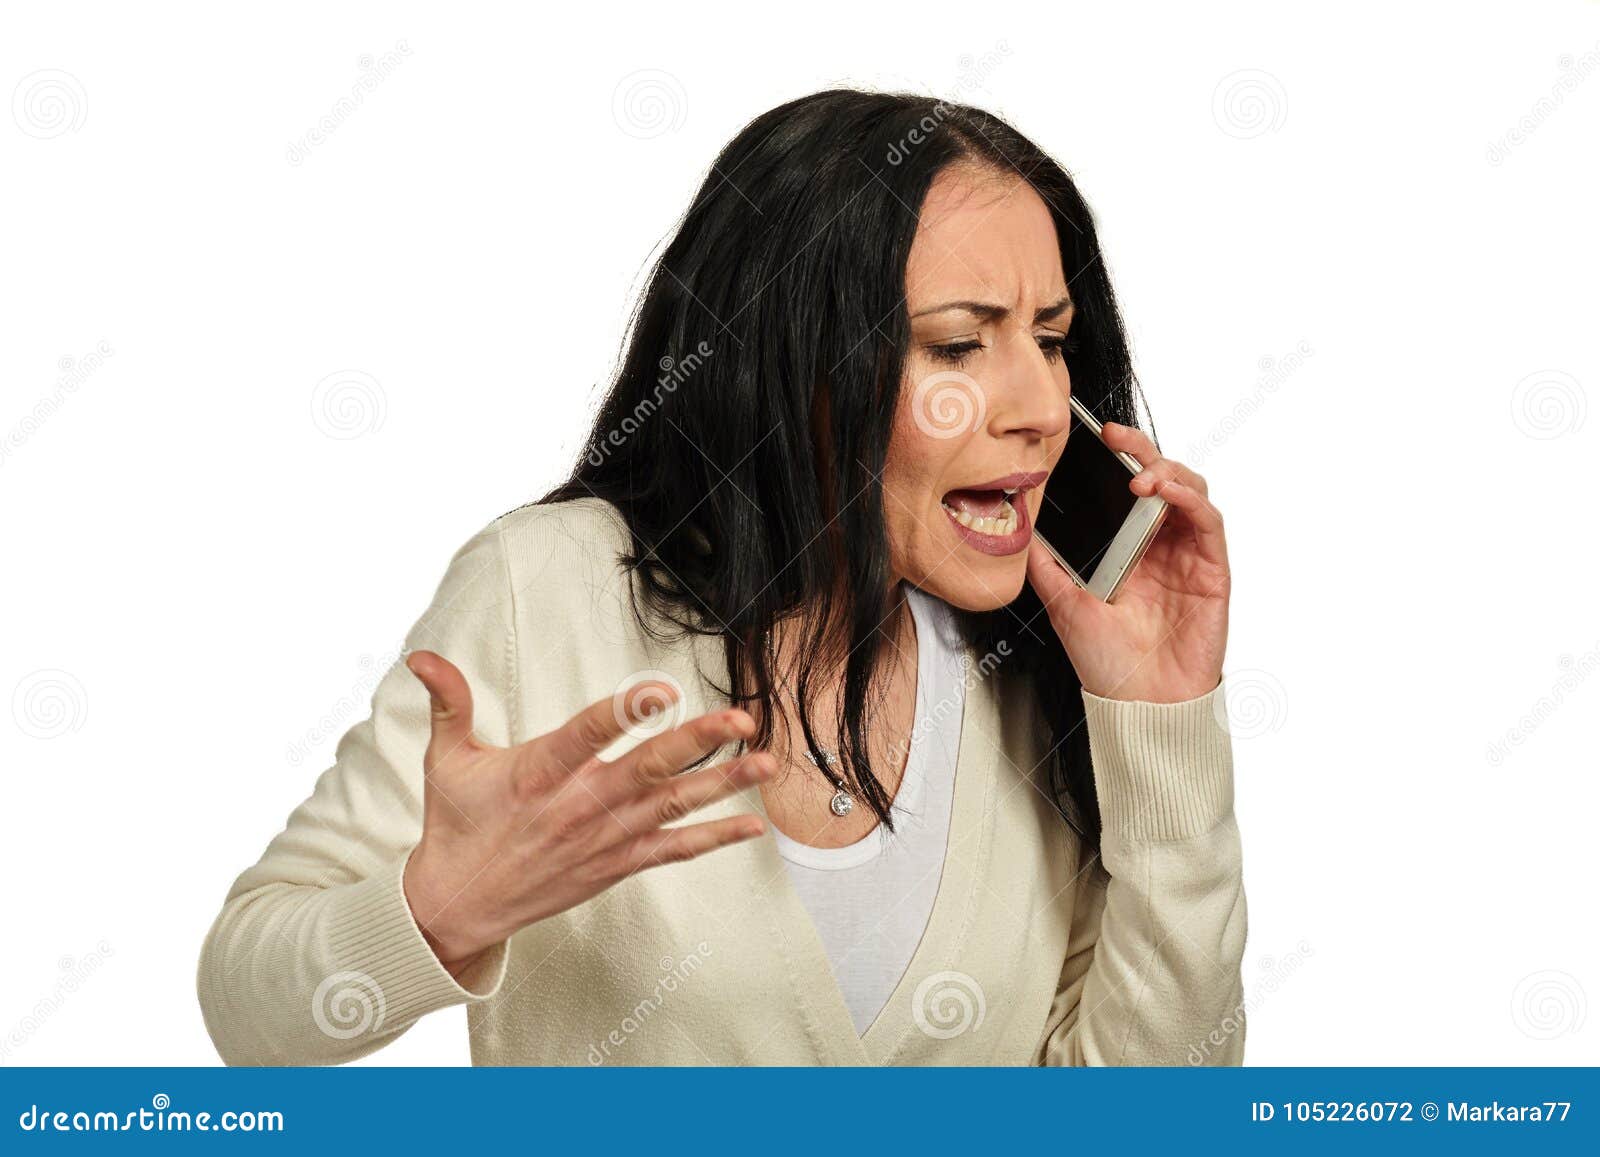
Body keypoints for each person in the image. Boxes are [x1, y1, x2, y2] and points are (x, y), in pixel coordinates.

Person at [198, 88, 1246, 1066]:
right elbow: (249, 1008)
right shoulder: (547, 593)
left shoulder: (1032, 665)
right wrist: (438, 910)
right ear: (789, 363)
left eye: (1052, 338)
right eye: (959, 345)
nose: (1038, 406)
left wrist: (1160, 724)